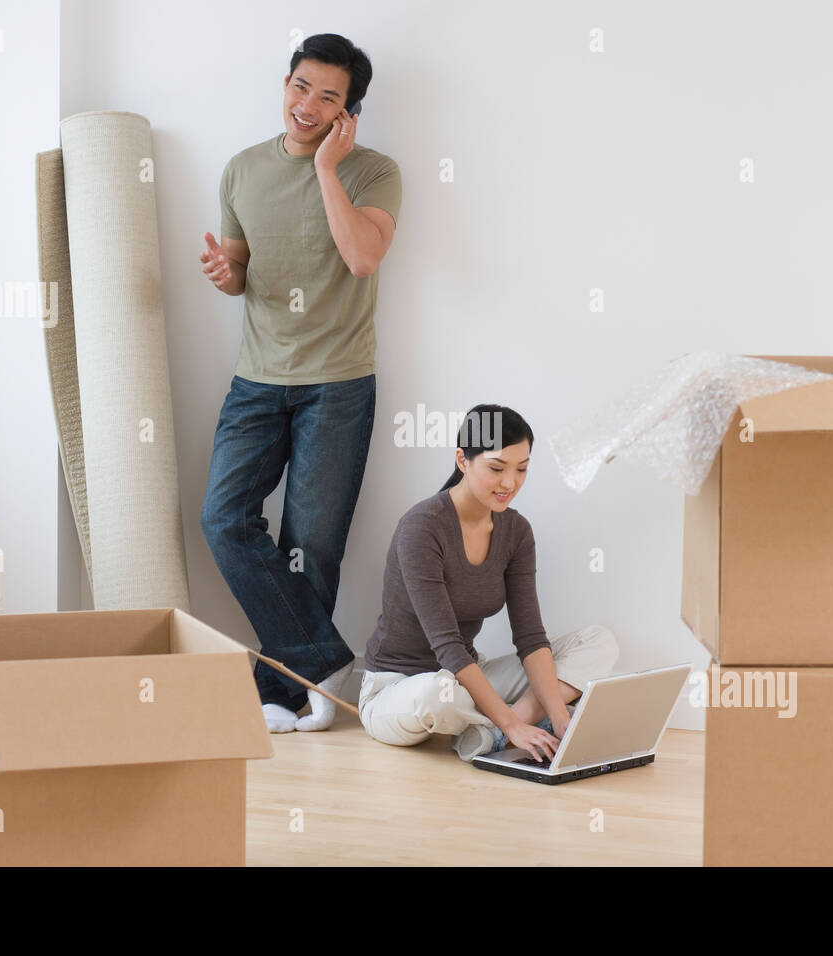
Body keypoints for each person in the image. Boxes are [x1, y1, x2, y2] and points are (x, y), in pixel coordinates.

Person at [198, 34, 401, 733]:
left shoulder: (373, 173)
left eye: (328, 97)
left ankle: (280, 694)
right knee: (223, 520)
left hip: (338, 385)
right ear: (284, 83)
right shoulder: (241, 169)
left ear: (351, 113)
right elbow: (240, 269)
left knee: (310, 542)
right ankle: (318, 660)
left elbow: (363, 257)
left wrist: (326, 170)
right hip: (257, 380)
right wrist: (230, 278)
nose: (307, 104)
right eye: (300, 86)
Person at [359, 405, 620, 762]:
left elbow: (530, 637)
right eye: (496, 468)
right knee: (437, 691)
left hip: (468, 676)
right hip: (400, 690)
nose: (510, 483)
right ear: (462, 461)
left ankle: (495, 730)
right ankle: (510, 724)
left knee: (597, 642)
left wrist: (560, 720)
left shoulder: (516, 532)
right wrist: (514, 725)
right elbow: (448, 647)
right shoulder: (422, 527)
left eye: (522, 469)